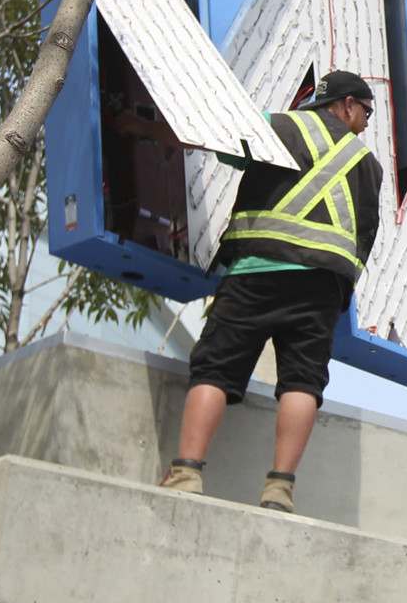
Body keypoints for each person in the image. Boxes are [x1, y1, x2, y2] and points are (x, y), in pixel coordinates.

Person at [159, 70, 385, 514]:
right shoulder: (369, 167)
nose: (366, 122)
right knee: (302, 380)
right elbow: (366, 236)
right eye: (366, 112)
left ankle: (186, 471)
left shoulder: (276, 126)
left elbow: (224, 146)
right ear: (345, 106)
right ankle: (279, 488)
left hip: (255, 272)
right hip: (321, 287)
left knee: (214, 369)